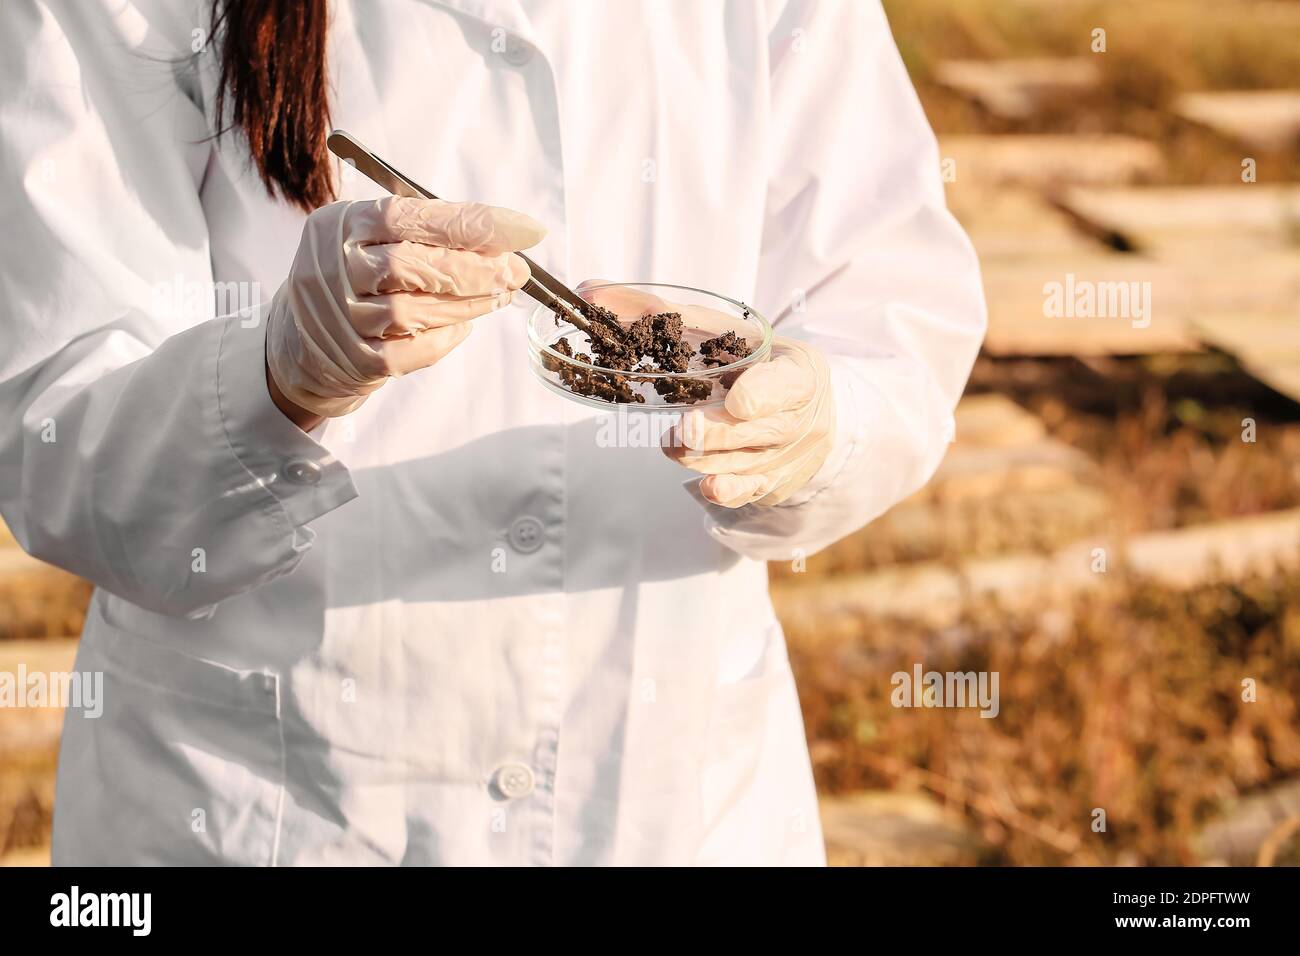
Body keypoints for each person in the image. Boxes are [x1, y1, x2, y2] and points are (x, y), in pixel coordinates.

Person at [0, 0, 985, 865]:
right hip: (269, 806)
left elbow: (887, 304)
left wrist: (819, 418)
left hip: (672, 798)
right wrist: (274, 379)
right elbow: (54, 424)